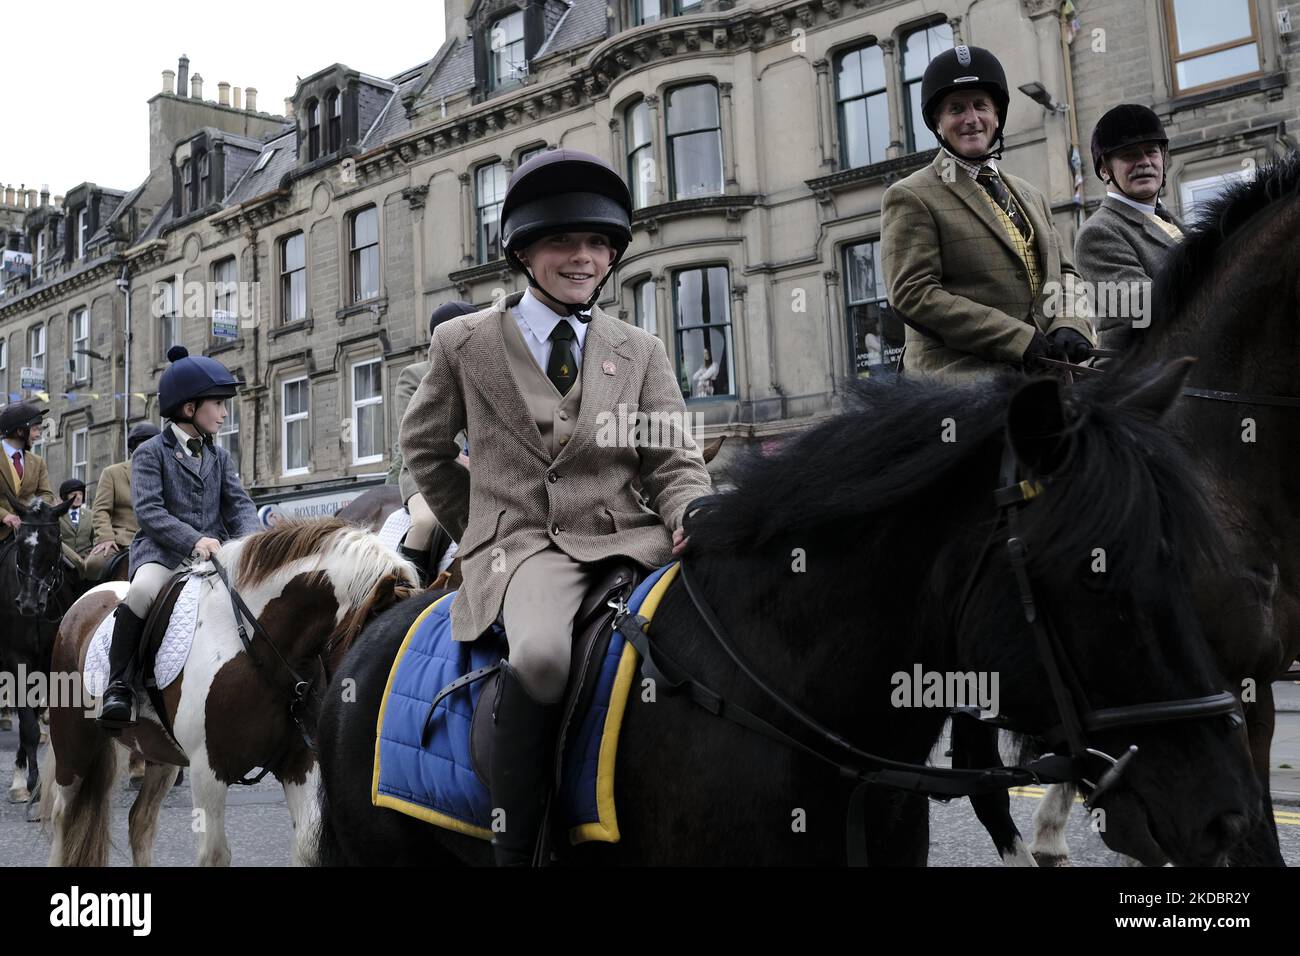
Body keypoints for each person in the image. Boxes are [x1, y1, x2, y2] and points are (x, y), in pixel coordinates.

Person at [401, 148, 713, 865]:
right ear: (523, 251)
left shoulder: (639, 349)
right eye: (563, 243)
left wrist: (690, 512)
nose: (583, 258)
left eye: (598, 244)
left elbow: (672, 458)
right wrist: (480, 531)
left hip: (629, 539)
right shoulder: (464, 341)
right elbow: (423, 448)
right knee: (540, 659)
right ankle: (520, 844)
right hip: (525, 550)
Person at [881, 44, 1096, 382]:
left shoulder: (1031, 194)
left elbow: (1067, 273)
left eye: (981, 105)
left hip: (1045, 373)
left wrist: (1071, 322)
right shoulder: (910, 195)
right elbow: (913, 293)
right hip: (961, 378)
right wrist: (1017, 338)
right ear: (938, 123)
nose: (971, 119)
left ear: (997, 117)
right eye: (956, 109)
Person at [97, 347, 260, 729]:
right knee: (139, 593)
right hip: (163, 552)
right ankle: (119, 684)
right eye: (218, 404)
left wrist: (256, 544)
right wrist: (193, 540)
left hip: (215, 553)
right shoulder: (151, 453)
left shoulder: (219, 457)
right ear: (189, 409)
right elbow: (150, 512)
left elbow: (239, 506)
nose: (223, 413)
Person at [1075, 104, 1185, 352]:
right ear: (1105, 169)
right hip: (1138, 372)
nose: (1144, 162)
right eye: (1130, 155)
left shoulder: (1171, 222)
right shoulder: (1098, 233)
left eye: (1151, 152)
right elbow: (1146, 307)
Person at [393, 300, 477, 584]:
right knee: (427, 521)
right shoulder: (414, 376)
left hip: (479, 471)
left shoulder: (484, 373)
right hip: (426, 469)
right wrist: (462, 460)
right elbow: (415, 435)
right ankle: (406, 589)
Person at [85, 423, 160, 581]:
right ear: (133, 449)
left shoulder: (168, 475)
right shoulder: (112, 473)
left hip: (158, 540)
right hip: (121, 542)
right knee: (93, 564)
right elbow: (101, 510)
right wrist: (106, 537)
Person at [0, 402, 54, 538]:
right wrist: (4, 515)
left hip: (31, 531)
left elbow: (46, 494)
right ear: (19, 431)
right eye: (35, 429)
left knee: (72, 559)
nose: (38, 435)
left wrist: (34, 510)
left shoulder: (38, 461)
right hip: (1, 531)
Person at [58, 478, 94, 572]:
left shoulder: (90, 515)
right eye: (74, 494)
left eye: (80, 494)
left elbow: (95, 539)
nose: (78, 497)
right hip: (64, 563)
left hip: (87, 563)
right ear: (65, 497)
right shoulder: (57, 516)